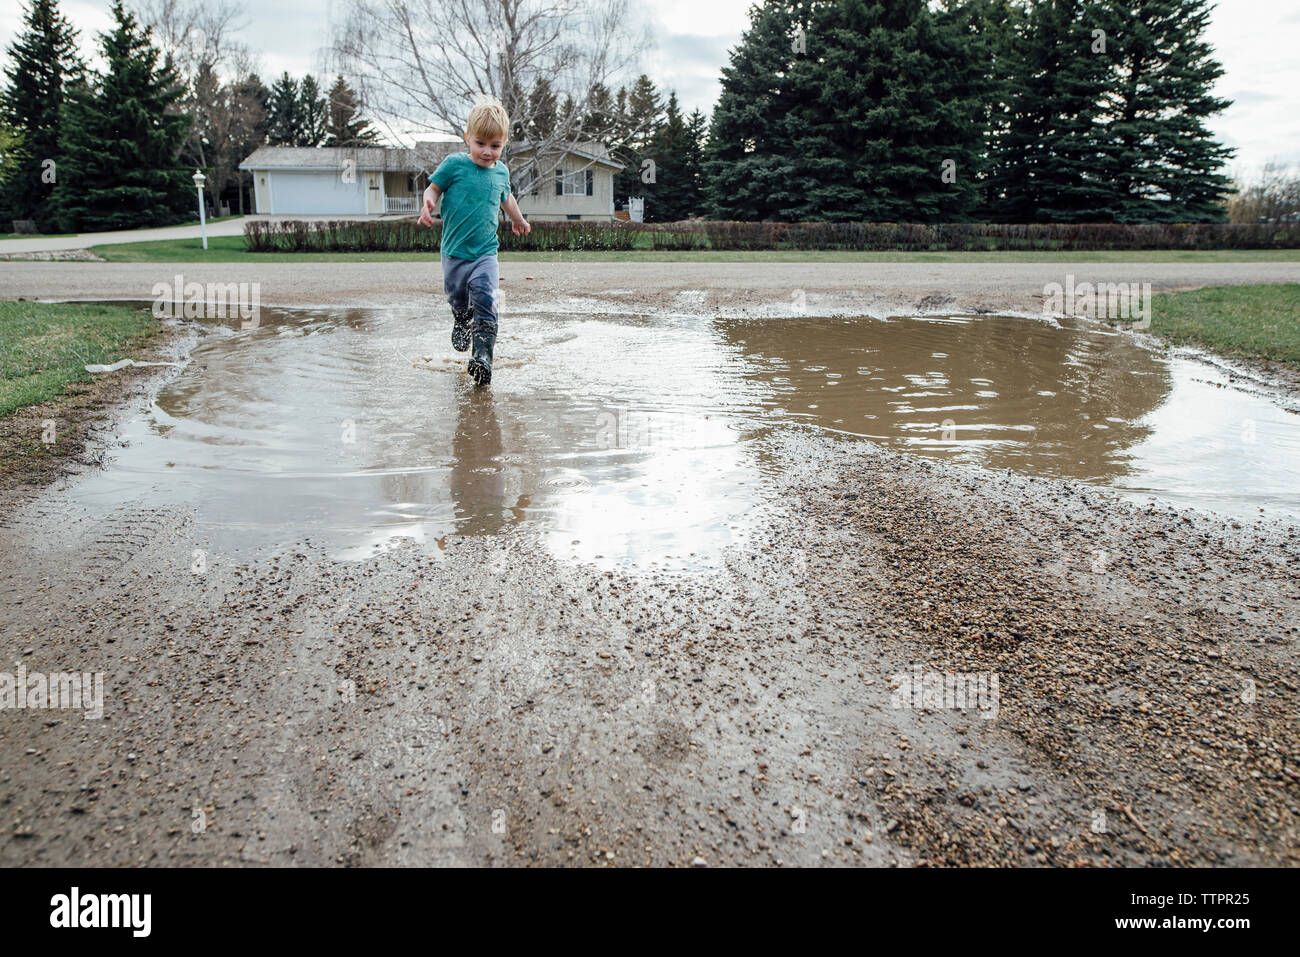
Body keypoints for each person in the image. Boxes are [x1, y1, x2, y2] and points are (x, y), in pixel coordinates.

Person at [418, 100, 530, 385]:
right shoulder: (454, 165)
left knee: (486, 296)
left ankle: (482, 357)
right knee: (458, 296)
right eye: (480, 143)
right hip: (455, 252)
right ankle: (460, 318)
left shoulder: (501, 172)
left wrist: (517, 219)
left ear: (504, 144)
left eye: (495, 145)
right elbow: (432, 189)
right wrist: (428, 204)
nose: (487, 151)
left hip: (485, 252)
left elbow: (507, 198)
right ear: (467, 138)